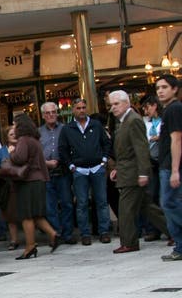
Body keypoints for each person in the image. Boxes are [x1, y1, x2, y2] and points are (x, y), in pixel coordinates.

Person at [107, 90, 168, 253]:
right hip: (128, 171)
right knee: (147, 207)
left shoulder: (133, 120)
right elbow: (125, 151)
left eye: (116, 104)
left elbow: (141, 149)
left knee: (126, 209)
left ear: (126, 103)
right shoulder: (124, 121)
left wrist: (142, 173)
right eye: (111, 105)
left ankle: (129, 242)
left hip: (133, 174)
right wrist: (117, 169)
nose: (113, 108)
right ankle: (174, 232)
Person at [58, 97, 112, 245]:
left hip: (97, 168)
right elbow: (62, 150)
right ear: (73, 110)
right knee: (81, 203)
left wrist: (104, 160)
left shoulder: (96, 125)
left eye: (83, 108)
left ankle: (104, 231)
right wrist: (71, 166)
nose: (81, 110)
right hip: (79, 170)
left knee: (101, 201)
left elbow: (106, 143)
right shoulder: (67, 129)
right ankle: (85, 234)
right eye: (78, 108)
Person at [6, 114, 59, 258]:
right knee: (36, 215)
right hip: (39, 179)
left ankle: (30, 246)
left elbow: (20, 158)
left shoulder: (23, 140)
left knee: (26, 215)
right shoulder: (35, 140)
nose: (14, 127)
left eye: (15, 124)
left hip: (28, 181)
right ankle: (53, 234)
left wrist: (11, 152)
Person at [38, 101, 75, 244]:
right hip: (46, 172)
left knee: (67, 203)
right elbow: (36, 153)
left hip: (63, 171)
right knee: (50, 207)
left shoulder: (65, 129)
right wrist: (46, 163)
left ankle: (67, 234)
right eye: (47, 113)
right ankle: (56, 234)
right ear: (43, 115)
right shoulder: (38, 132)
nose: (51, 115)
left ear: (57, 113)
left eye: (53, 112)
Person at [155, 75, 182, 262]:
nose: (160, 91)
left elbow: (176, 139)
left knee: (169, 203)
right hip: (167, 165)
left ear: (175, 89)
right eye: (158, 88)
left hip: (170, 166)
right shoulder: (169, 110)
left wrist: (174, 169)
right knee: (169, 203)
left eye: (164, 87)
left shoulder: (174, 109)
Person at [0, 125, 20, 249]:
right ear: (6, 137)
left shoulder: (23, 147)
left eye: (16, 133)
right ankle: (14, 240)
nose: (14, 135)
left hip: (23, 184)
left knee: (27, 214)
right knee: (10, 215)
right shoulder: (2, 151)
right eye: (11, 134)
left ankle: (31, 239)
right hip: (8, 186)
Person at [141, 95, 163, 238]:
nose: (145, 110)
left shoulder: (165, 119)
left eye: (147, 107)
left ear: (154, 105)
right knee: (152, 196)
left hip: (164, 161)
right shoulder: (145, 123)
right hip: (151, 163)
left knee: (166, 196)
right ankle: (154, 229)